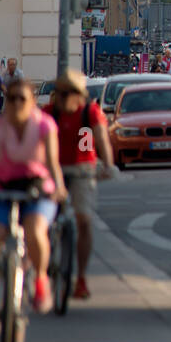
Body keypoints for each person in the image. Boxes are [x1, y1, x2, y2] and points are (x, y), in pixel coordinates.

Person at [0, 76, 66, 333]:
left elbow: (53, 163)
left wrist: (59, 188)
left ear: (33, 101)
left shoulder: (45, 126)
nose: (17, 103)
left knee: (34, 230)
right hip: (3, 188)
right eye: (11, 98)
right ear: (5, 102)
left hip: (37, 189)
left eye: (22, 98)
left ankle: (41, 279)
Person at [46, 69, 114, 299]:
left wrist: (108, 165)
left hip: (82, 171)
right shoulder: (49, 113)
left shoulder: (89, 113)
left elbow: (101, 139)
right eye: (61, 94)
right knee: (41, 220)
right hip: (51, 172)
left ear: (79, 95)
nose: (64, 99)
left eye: (69, 94)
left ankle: (81, 278)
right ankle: (43, 265)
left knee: (83, 221)